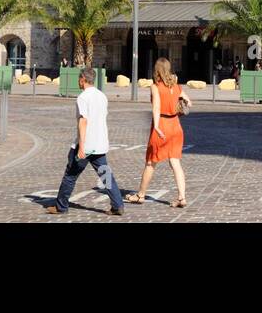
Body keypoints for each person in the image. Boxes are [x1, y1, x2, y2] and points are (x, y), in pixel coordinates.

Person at [46, 67, 124, 216]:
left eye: (78, 79)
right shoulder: (102, 96)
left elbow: (83, 122)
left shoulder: (83, 97)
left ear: (83, 79)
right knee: (106, 176)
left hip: (86, 144)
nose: (78, 82)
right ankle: (118, 205)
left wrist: (81, 146)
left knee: (70, 176)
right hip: (100, 144)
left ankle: (61, 206)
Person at [125, 58, 190, 208]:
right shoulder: (176, 86)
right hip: (176, 125)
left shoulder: (155, 87)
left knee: (151, 162)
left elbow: (156, 108)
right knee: (175, 162)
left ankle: (140, 195)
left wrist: (156, 127)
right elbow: (188, 102)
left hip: (162, 124)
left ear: (157, 70)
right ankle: (182, 197)